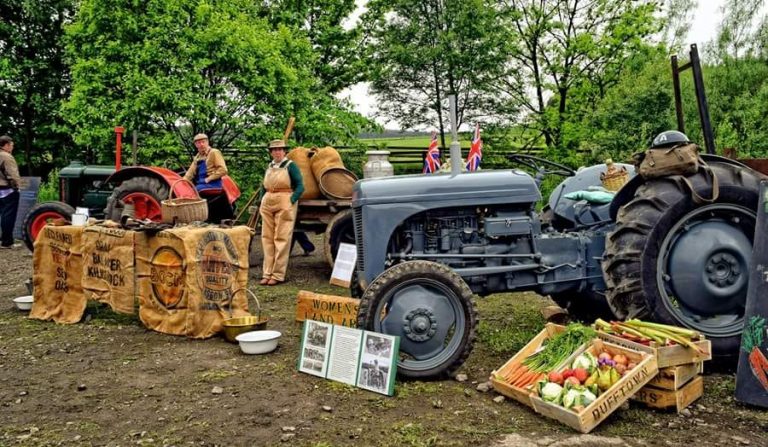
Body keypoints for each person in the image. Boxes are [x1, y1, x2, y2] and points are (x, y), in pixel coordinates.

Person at [258, 139, 304, 285]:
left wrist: (291, 200)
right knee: (267, 238)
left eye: (280, 149)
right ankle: (267, 273)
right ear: (271, 152)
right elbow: (263, 186)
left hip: (284, 199)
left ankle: (277, 275)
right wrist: (261, 199)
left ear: (284, 151)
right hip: (268, 200)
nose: (277, 152)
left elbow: (300, 186)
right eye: (274, 150)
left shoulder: (291, 166)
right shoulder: (270, 166)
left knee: (281, 238)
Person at [183, 133, 232, 222]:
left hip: (213, 183)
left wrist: (209, 178)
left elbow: (223, 170)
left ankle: (201, 217)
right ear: (195, 145)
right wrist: (182, 181)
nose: (201, 144)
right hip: (202, 182)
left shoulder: (214, 152)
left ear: (207, 142)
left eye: (203, 142)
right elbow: (190, 173)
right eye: (198, 143)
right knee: (188, 191)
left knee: (195, 192)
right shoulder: (198, 156)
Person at [0, 136, 21, 249]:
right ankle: (7, 242)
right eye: (12, 145)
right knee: (8, 215)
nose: (12, 148)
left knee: (2, 215)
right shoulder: (7, 156)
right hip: (7, 190)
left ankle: (3, 239)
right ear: (7, 145)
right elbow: (13, 175)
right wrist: (19, 186)